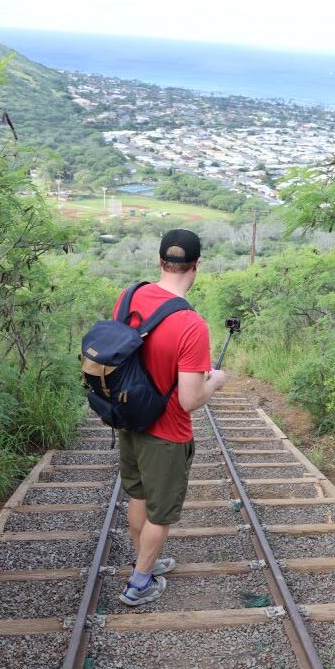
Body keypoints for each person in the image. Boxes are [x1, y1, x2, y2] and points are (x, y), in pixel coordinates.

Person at [113, 228, 225, 606]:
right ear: (196, 266)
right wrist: (216, 381)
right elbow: (190, 399)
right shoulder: (191, 324)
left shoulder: (129, 297)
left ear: (160, 261)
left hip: (130, 418)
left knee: (138, 495)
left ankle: (143, 560)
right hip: (167, 433)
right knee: (160, 515)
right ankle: (139, 584)